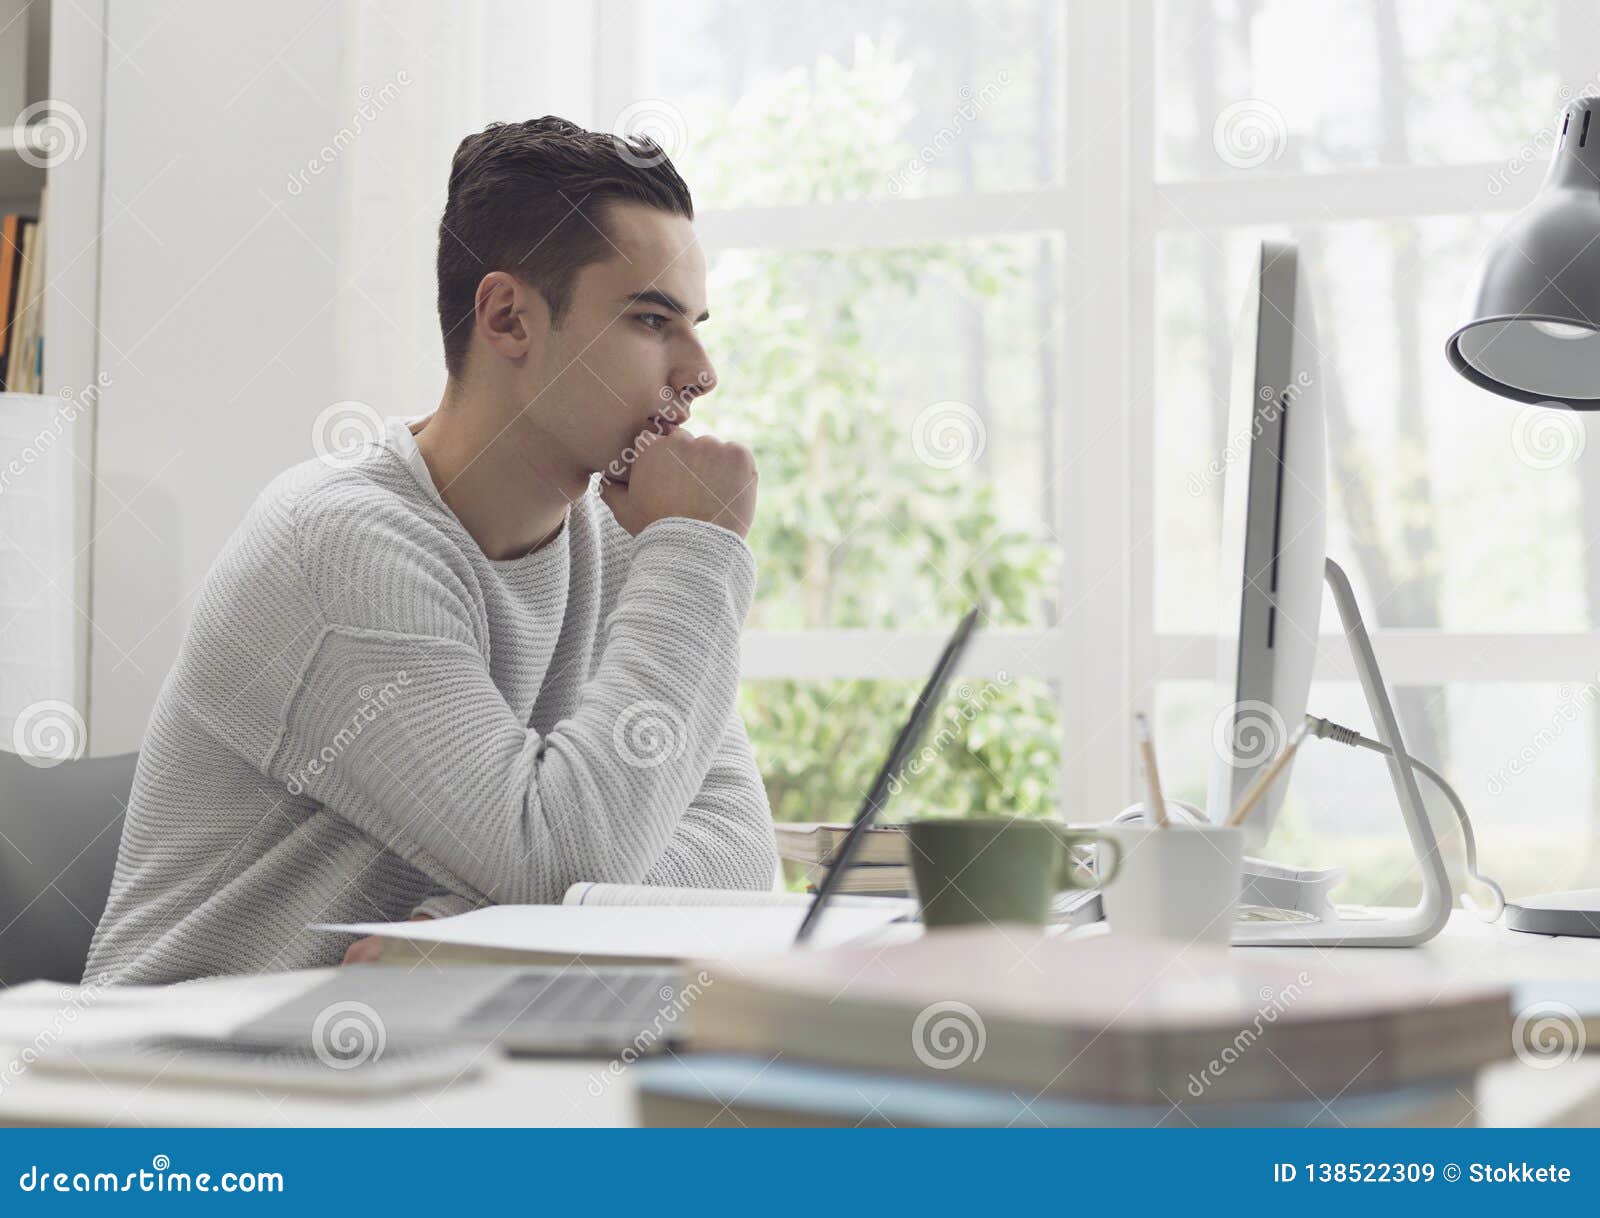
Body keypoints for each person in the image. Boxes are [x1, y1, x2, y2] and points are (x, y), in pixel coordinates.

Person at [84, 116, 778, 985]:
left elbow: (738, 854)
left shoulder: (630, 545)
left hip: (423, 1040)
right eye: (651, 320)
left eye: (696, 325)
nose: (701, 372)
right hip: (187, 1057)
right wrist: (697, 551)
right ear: (508, 319)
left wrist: (464, 929)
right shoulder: (342, 548)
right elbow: (562, 858)